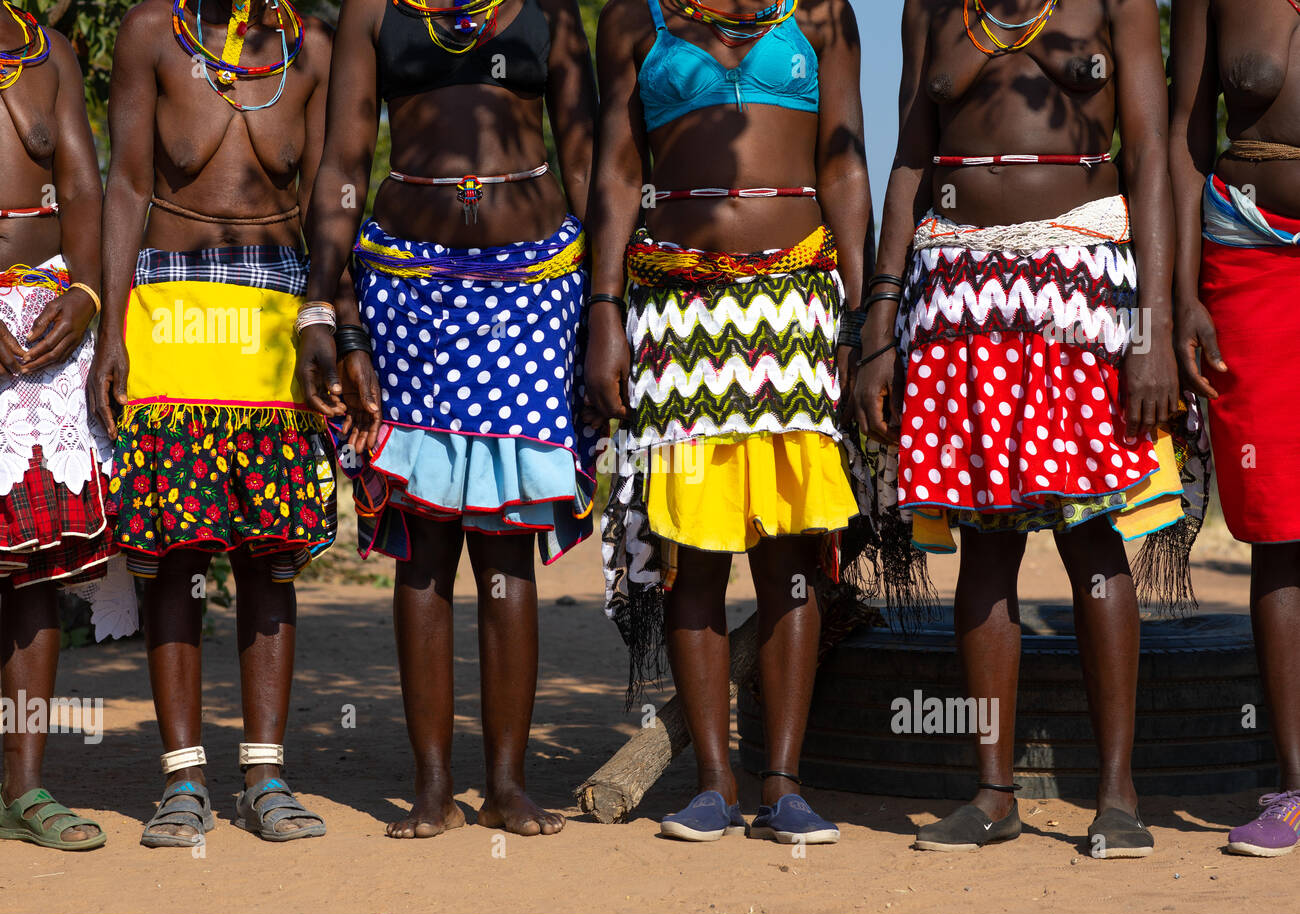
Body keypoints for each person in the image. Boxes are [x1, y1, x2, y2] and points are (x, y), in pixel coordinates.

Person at [855, 0, 1204, 857]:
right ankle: (992, 792)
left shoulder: (1113, 2)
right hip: (955, 287)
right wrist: (878, 319)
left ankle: (1118, 796)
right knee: (985, 541)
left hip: (1080, 279)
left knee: (1092, 536)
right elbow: (908, 160)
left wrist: (1151, 333)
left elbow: (1152, 155)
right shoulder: (930, 7)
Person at [298, 0, 598, 838]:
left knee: (506, 540)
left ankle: (506, 783)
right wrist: (327, 313)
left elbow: (586, 157)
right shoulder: (374, 11)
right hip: (405, 290)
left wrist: (608, 306)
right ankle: (432, 787)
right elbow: (344, 164)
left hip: (536, 292)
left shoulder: (547, 10)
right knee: (422, 537)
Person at [585, 0, 870, 844]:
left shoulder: (819, 15)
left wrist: (863, 313)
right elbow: (614, 171)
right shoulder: (635, 20)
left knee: (792, 549)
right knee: (694, 551)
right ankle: (713, 782)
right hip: (676, 306)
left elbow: (845, 166)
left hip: (799, 302)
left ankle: (782, 782)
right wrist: (605, 312)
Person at [92, 0, 337, 848]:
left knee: (270, 552)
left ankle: (266, 774)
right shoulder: (152, 31)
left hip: (274, 306)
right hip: (170, 304)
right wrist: (108, 331)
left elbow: (326, 205)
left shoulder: (313, 48)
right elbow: (124, 183)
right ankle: (182, 779)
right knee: (178, 553)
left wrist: (325, 324)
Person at [0, 2, 132, 852]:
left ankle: (24, 789)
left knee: (33, 569)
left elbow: (84, 185)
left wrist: (85, 294)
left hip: (44, 330)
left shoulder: (47, 50)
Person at [1170, 0, 1300, 857]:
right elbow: (1181, 142)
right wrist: (1180, 295)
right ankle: (1294, 784)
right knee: (1277, 526)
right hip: (1250, 256)